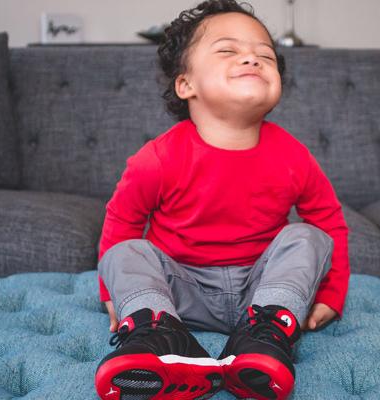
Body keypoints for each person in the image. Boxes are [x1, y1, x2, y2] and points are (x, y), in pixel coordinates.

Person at [93, 1, 349, 399]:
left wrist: (332, 293)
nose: (252, 57)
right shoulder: (157, 158)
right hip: (181, 290)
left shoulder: (294, 155)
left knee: (308, 236)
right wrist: (114, 296)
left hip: (263, 290)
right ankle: (160, 333)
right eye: (228, 50)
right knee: (126, 250)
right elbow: (121, 222)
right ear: (186, 85)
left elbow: (329, 220)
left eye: (266, 55)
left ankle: (264, 336)